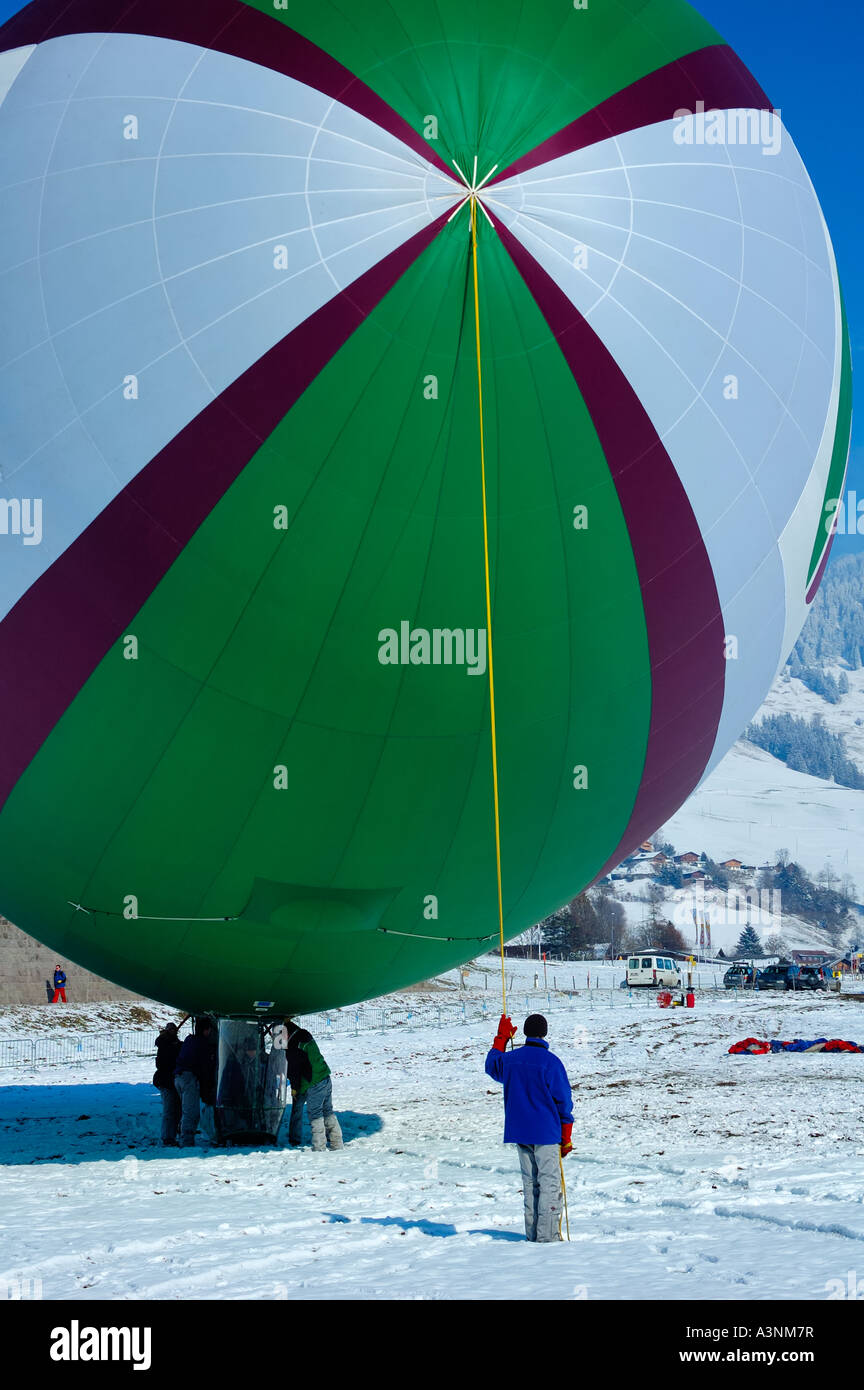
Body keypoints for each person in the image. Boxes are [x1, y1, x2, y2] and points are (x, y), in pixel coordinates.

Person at [485, 1012, 573, 1243]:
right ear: (544, 1033)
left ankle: (533, 1236)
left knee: (531, 1184)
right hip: (546, 1133)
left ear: (524, 1033)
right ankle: (548, 1239)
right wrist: (566, 1137)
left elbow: (491, 1064)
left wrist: (501, 1037)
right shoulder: (551, 1062)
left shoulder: (511, 1060)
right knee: (549, 1185)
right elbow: (563, 1101)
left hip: (520, 1132)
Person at [282, 1018, 343, 1151]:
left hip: (312, 1082)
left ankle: (319, 1146)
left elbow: (295, 1071)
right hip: (325, 1076)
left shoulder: (293, 1046)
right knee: (328, 1111)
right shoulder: (304, 1034)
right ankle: (337, 1143)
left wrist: (294, 1089)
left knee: (315, 1113)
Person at [174, 1017, 217, 1147]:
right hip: (189, 1077)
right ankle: (186, 1140)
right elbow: (204, 1067)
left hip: (179, 1076)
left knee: (186, 1109)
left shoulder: (189, 1040)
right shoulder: (202, 1044)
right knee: (191, 1112)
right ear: (207, 1030)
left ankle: (182, 1135)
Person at [153, 1022, 183, 1146]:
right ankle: (167, 1137)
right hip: (167, 1081)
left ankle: (171, 1135)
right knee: (170, 1110)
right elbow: (163, 1063)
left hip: (170, 1081)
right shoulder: (167, 1045)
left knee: (175, 1110)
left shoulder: (168, 1044)